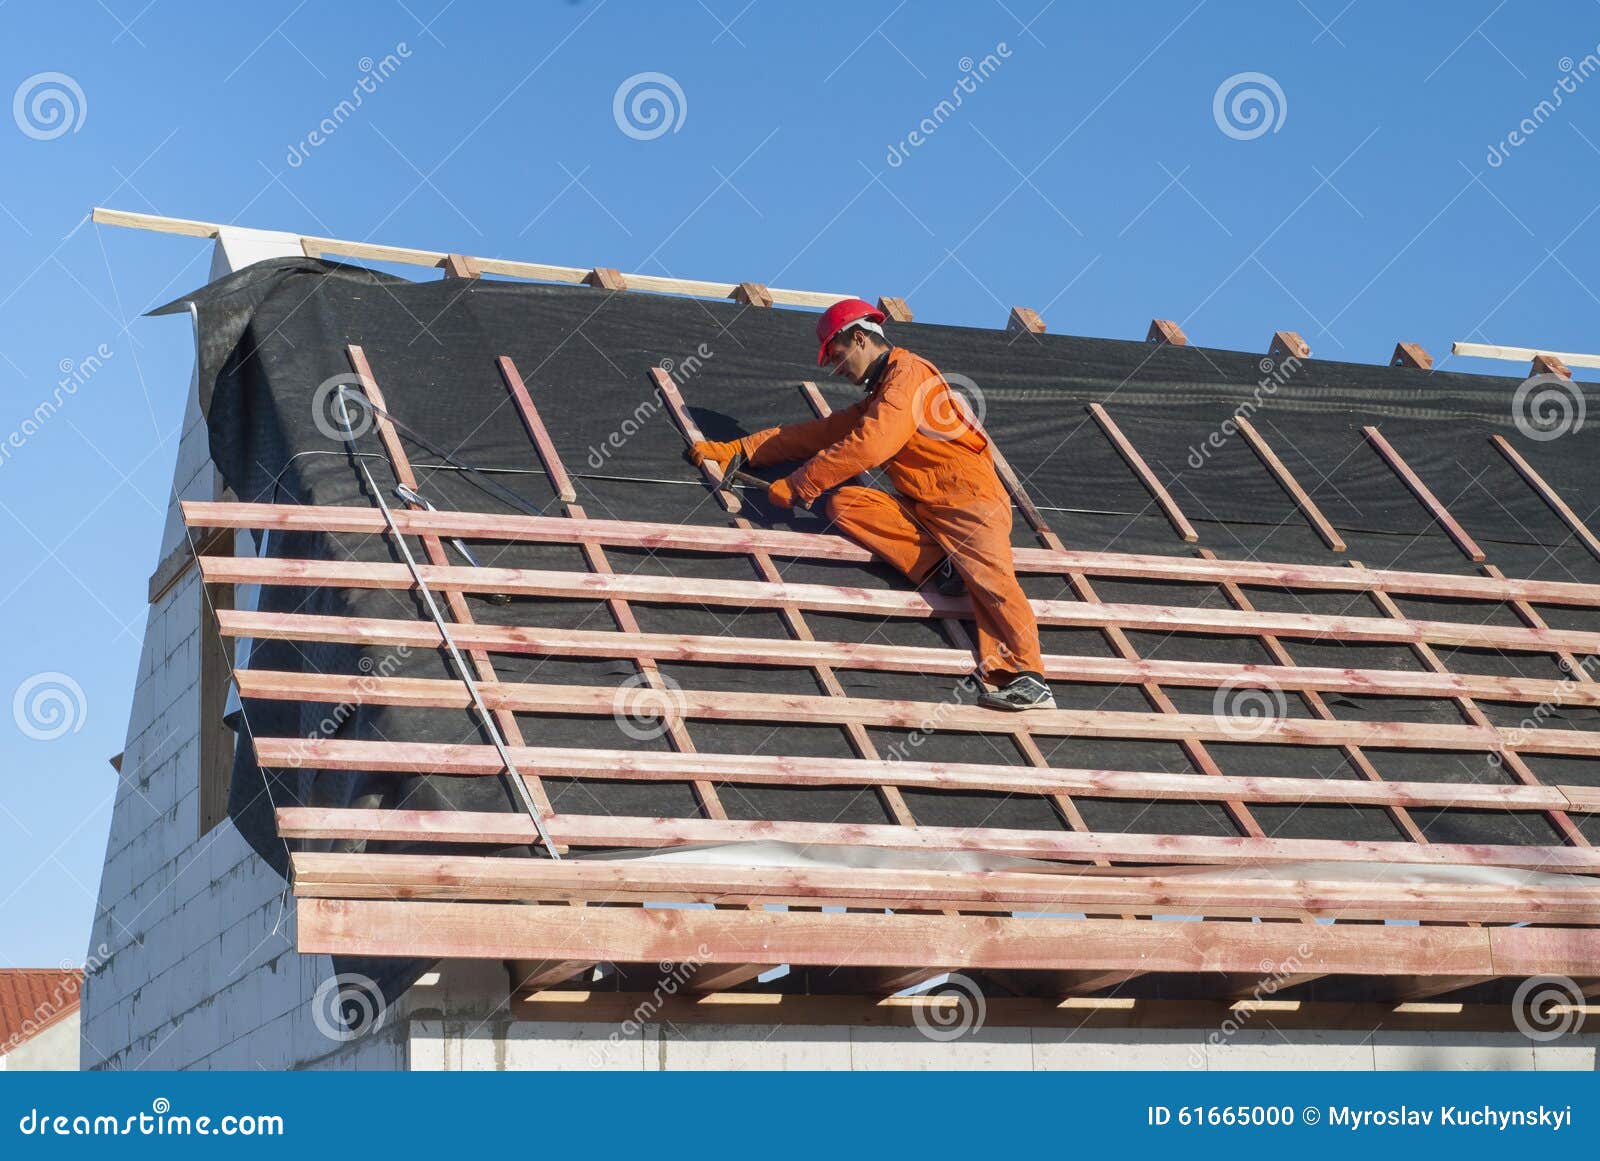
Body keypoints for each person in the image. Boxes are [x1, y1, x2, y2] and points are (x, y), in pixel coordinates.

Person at [688, 298, 1053, 711]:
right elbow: (819, 433)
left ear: (859, 338)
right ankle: (939, 564)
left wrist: (799, 483)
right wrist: (740, 448)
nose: (835, 368)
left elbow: (873, 443)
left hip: (967, 499)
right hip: (923, 504)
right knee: (847, 501)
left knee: (992, 579)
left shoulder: (908, 375)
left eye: (836, 355)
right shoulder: (882, 393)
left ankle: (1028, 676)